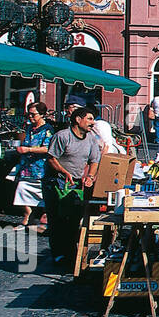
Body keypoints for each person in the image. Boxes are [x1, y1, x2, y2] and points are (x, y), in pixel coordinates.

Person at [42, 107, 102, 267]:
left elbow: (94, 160)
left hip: (74, 184)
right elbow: (51, 159)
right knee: (57, 219)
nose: (93, 122)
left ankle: (71, 254)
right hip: (55, 182)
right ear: (78, 119)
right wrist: (64, 172)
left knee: (73, 219)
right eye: (89, 119)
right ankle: (59, 255)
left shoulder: (91, 138)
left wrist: (90, 176)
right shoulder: (62, 136)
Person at [13, 102, 54, 229]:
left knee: (42, 195)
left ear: (42, 114)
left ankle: (40, 219)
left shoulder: (47, 130)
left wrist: (28, 150)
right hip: (27, 167)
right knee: (21, 190)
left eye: (33, 114)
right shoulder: (30, 128)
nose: (30, 117)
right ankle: (27, 216)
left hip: (40, 168)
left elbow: (47, 148)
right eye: (28, 114)